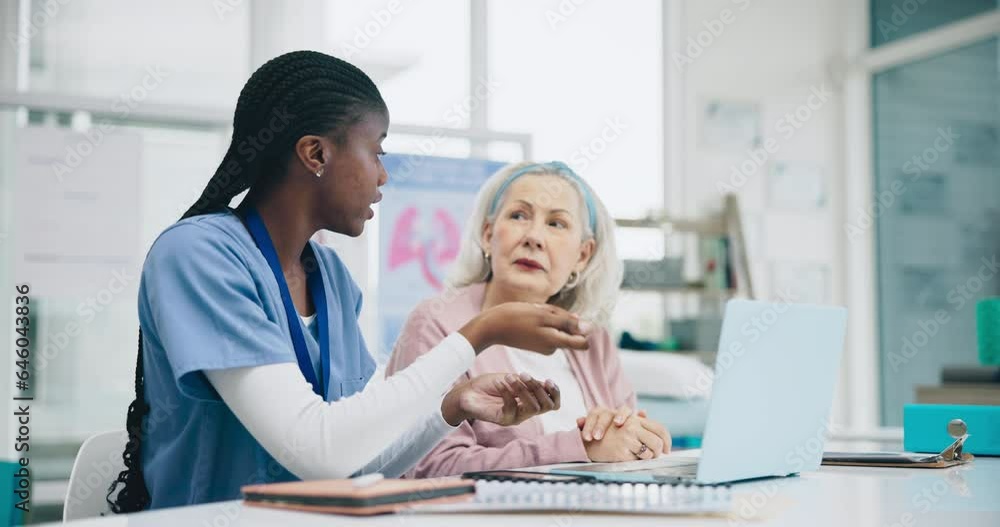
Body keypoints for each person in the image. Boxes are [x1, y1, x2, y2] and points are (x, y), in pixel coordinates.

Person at [106, 51, 593, 512]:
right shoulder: (198, 256)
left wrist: (451, 408)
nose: (383, 176)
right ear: (315, 153)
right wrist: (480, 333)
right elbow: (318, 449)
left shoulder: (331, 278)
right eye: (376, 152)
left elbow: (355, 463)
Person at [386, 161, 672, 478]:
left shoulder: (593, 340)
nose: (534, 237)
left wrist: (642, 440)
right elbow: (427, 470)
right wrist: (581, 448)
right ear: (487, 235)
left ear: (582, 255)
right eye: (519, 216)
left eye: (556, 224)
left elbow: (625, 444)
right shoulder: (436, 322)